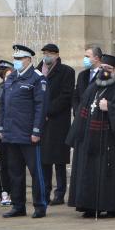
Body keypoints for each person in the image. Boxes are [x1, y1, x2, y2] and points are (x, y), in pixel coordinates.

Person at [66, 54, 115, 218]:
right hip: (88, 139)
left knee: (107, 174)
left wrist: (110, 106)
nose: (104, 72)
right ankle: (88, 206)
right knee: (88, 172)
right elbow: (82, 110)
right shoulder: (92, 87)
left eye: (108, 69)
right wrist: (77, 136)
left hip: (109, 141)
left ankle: (110, 206)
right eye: (102, 68)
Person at [0, 44, 48, 219]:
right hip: (11, 133)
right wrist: (1, 127)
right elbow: (3, 105)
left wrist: (36, 131)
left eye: (19, 59)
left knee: (36, 172)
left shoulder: (37, 78)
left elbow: (41, 107)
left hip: (28, 134)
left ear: (29, 60)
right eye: (15, 58)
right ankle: (18, 206)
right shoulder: (10, 78)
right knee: (15, 172)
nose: (16, 61)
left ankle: (40, 206)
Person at [36, 44, 74, 206]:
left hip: (58, 121)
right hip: (41, 122)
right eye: (45, 53)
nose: (47, 56)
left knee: (59, 159)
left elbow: (66, 96)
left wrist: (47, 111)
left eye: (50, 53)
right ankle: (45, 191)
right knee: (44, 159)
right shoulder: (37, 71)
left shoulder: (67, 71)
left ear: (57, 55)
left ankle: (60, 193)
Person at [0, 59, 14, 207]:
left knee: (15, 164)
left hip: (15, 132)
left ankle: (15, 192)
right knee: (4, 163)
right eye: (6, 74)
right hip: (0, 134)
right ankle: (5, 191)